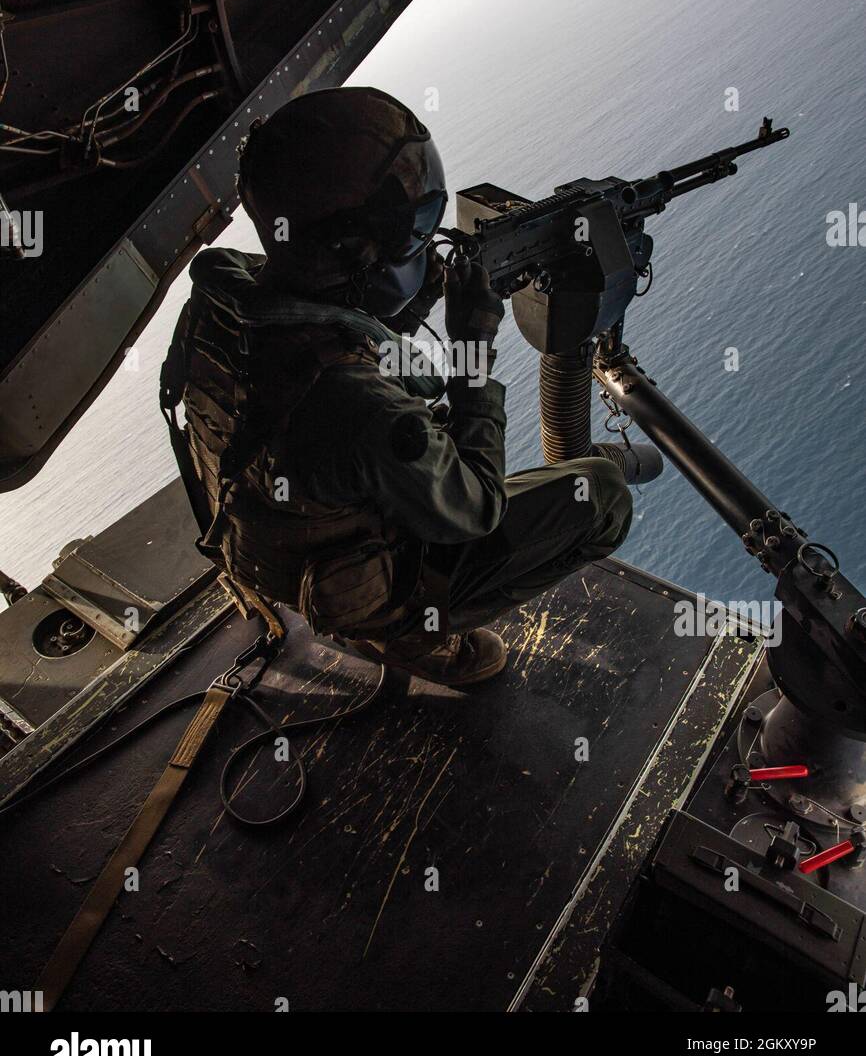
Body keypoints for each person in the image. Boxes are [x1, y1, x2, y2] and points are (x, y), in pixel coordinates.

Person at [163, 86, 657, 688]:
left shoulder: (221, 301)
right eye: (414, 235)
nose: (427, 245)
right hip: (342, 588)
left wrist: (412, 294)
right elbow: (476, 509)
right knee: (601, 495)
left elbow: (317, 331)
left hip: (258, 546)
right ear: (353, 252)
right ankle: (409, 636)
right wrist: (472, 348)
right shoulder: (360, 409)